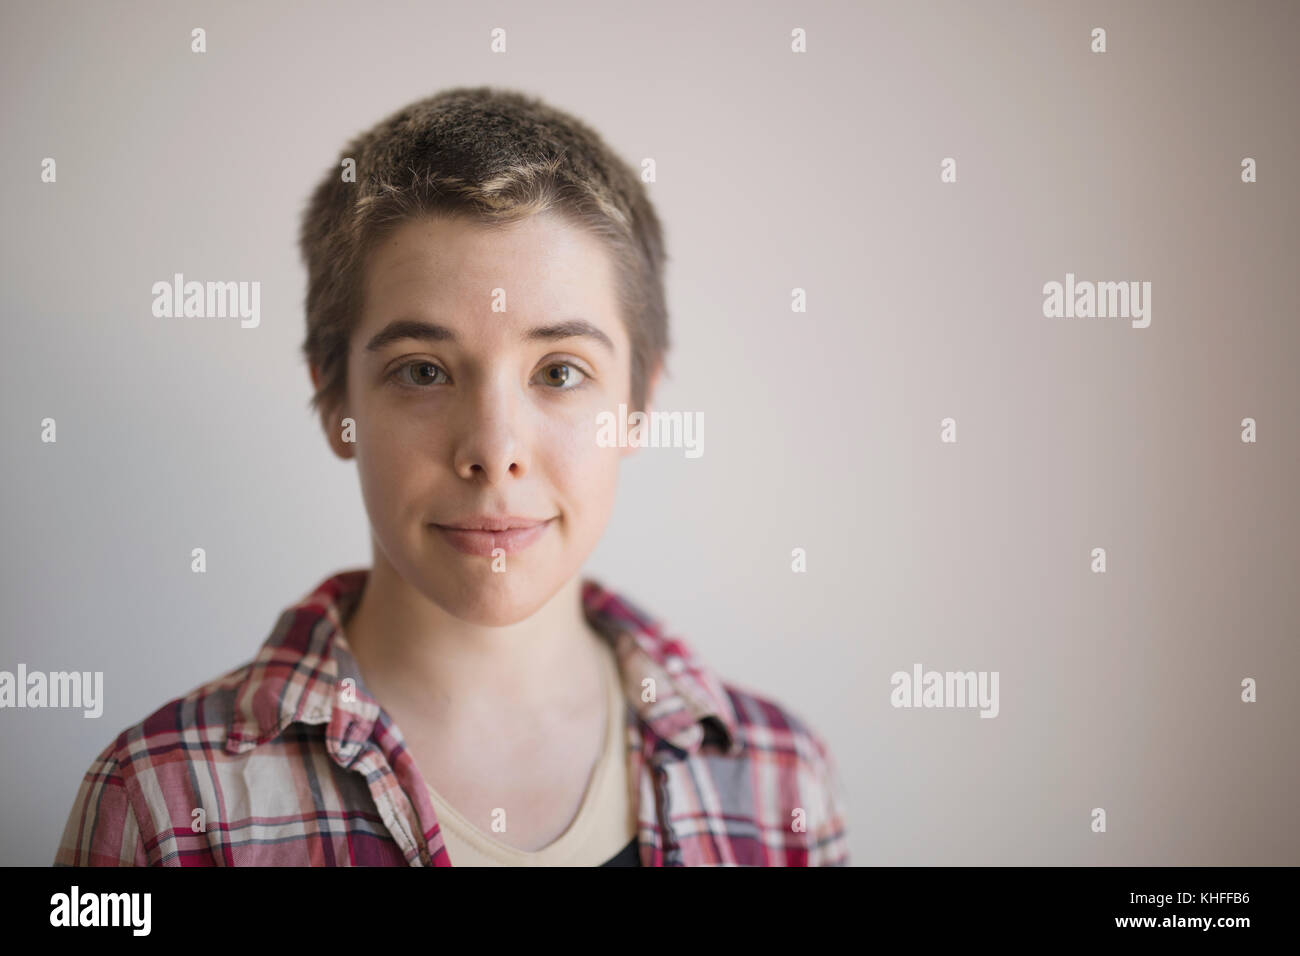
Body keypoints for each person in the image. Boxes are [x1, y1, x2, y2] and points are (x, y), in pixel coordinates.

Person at [53, 86, 849, 866]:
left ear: (638, 406)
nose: (494, 449)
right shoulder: (165, 808)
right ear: (334, 399)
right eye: (425, 372)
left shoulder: (780, 785)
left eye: (561, 373)